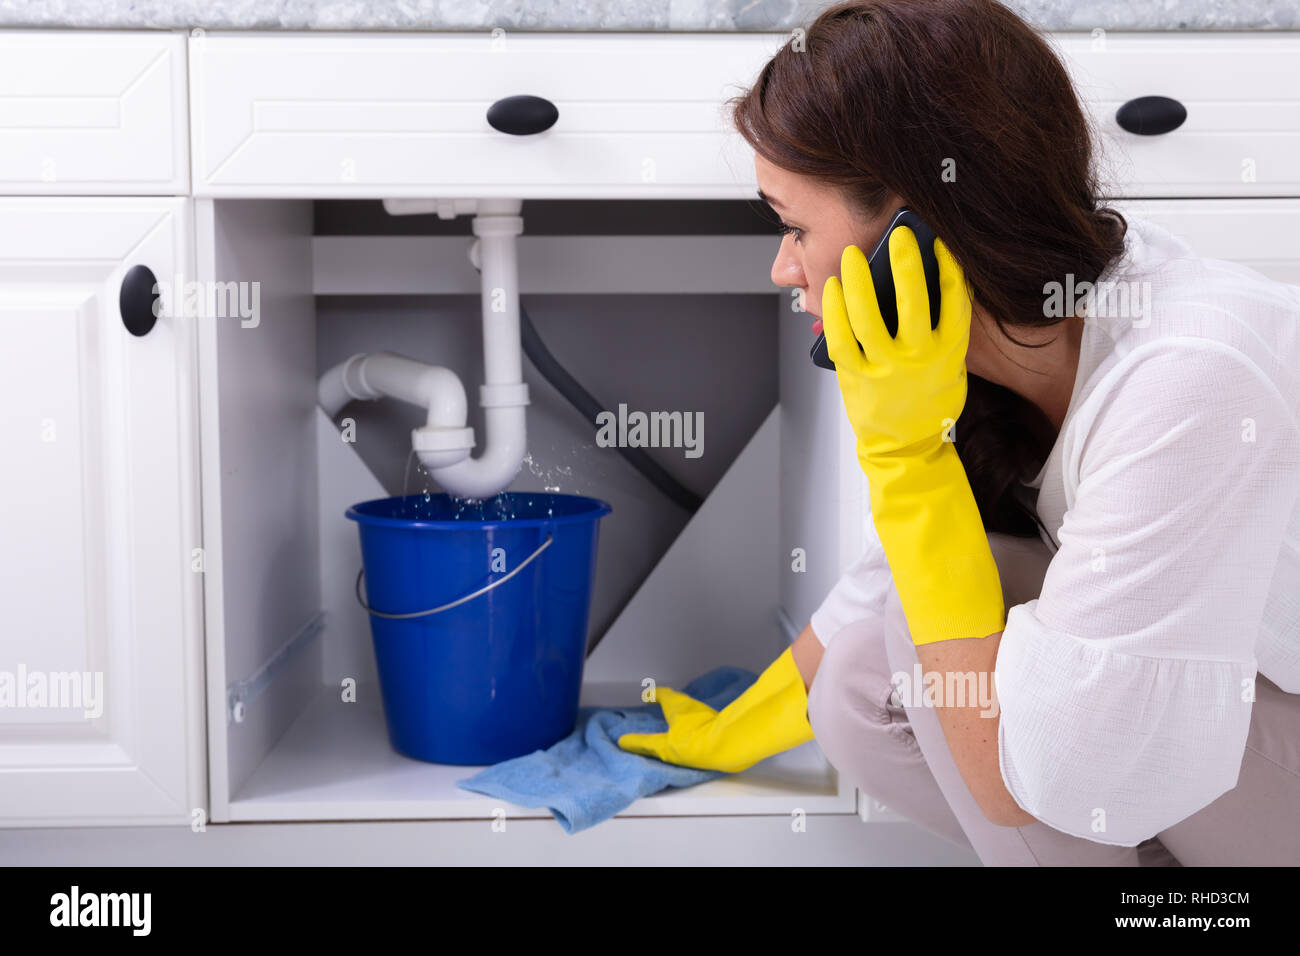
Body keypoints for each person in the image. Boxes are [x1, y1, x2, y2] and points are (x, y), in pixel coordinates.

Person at [617, 0, 1300, 865]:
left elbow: (1020, 784)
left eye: (794, 228)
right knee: (864, 675)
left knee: (954, 658)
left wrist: (907, 462)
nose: (782, 268)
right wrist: (737, 728)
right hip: (1250, 723)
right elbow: (889, 589)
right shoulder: (1019, 340)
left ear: (919, 237)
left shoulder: (1191, 375)